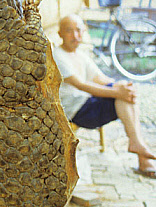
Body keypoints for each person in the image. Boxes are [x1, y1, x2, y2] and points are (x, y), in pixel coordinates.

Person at [54, 14, 156, 177]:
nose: (75, 36)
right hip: (77, 111)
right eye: (69, 31)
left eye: (79, 30)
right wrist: (117, 91)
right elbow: (81, 85)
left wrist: (122, 86)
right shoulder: (57, 55)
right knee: (121, 95)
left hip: (88, 102)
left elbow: (100, 78)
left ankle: (140, 152)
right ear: (60, 34)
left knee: (126, 91)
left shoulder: (81, 55)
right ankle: (139, 148)